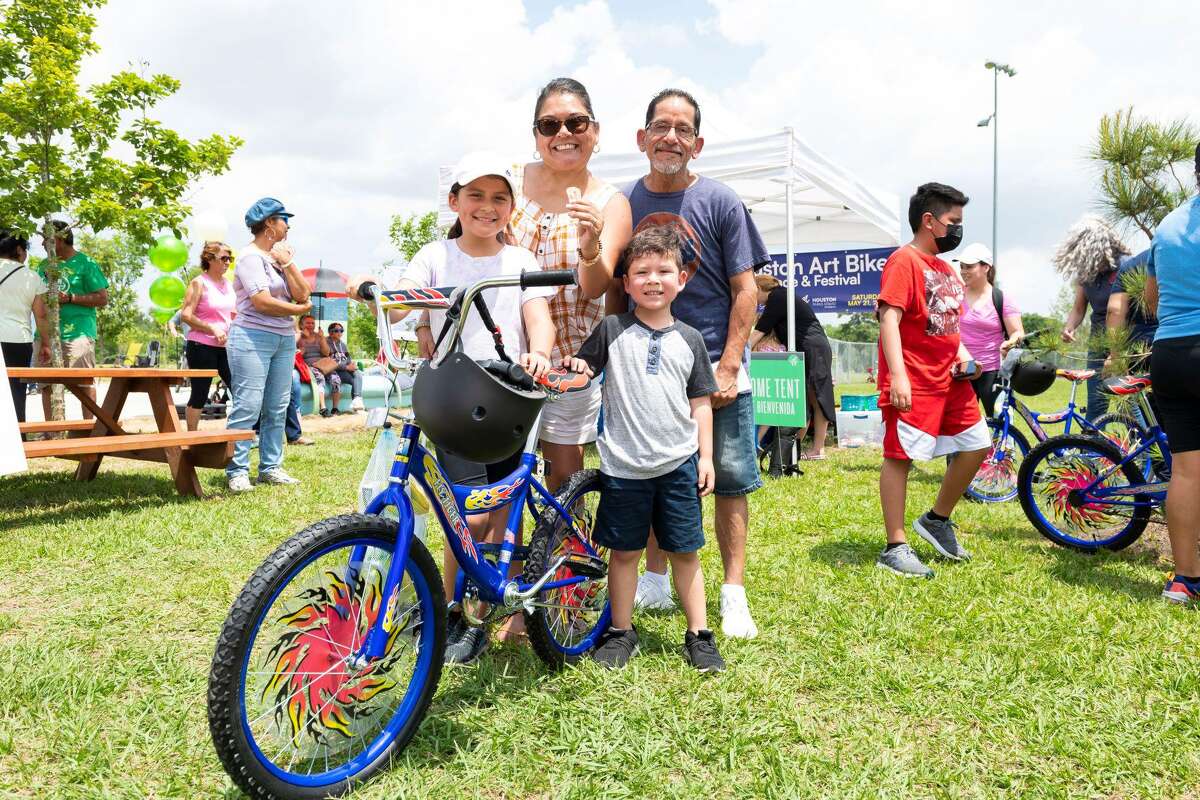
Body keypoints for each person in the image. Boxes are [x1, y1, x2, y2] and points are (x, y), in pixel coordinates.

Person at [371, 153, 556, 664]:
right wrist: (378, 297)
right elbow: (402, 302)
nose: (487, 207)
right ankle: (455, 607)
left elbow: (537, 315)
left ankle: (480, 607)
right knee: (463, 512)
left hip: (507, 392)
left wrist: (539, 350)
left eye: (499, 198)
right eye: (475, 195)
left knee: (499, 505)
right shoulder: (434, 255)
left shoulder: (519, 262)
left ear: (511, 209)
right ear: (454, 202)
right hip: (453, 394)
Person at [622, 88, 769, 638]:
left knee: (729, 478)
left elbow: (745, 289)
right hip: (645, 366)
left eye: (684, 130)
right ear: (642, 138)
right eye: (661, 126)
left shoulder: (722, 202)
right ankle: (655, 580)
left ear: (698, 143)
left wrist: (730, 363)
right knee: (653, 469)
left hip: (712, 358)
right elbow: (617, 290)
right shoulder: (623, 204)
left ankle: (733, 593)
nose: (671, 138)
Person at [565, 226, 724, 673]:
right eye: (642, 272)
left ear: (681, 279)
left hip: (678, 464)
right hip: (623, 467)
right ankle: (620, 631)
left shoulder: (690, 339)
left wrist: (706, 457)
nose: (653, 279)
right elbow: (583, 367)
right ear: (627, 282)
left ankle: (699, 635)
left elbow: (701, 405)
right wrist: (577, 363)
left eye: (663, 271)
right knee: (625, 552)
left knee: (686, 552)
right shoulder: (612, 328)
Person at [499, 77, 632, 493]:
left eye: (575, 123)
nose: (563, 135)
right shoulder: (507, 182)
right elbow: (463, 251)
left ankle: (564, 557)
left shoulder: (611, 202)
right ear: (535, 134)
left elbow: (595, 288)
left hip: (567, 362)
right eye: (548, 125)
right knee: (498, 481)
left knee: (563, 478)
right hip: (499, 354)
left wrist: (591, 245)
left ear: (594, 131)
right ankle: (510, 560)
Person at [875, 183, 992, 578]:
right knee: (900, 457)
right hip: (916, 379)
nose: (958, 230)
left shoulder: (944, 269)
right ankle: (895, 545)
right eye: (953, 222)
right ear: (930, 221)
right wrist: (899, 377)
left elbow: (947, 326)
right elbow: (889, 319)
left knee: (978, 445)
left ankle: (937, 519)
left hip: (952, 380)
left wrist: (965, 358)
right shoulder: (903, 261)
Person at [225, 198, 311, 493]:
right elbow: (261, 302)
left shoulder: (279, 258)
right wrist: (298, 312)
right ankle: (236, 470)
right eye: (284, 219)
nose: (289, 225)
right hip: (252, 337)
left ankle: (270, 467)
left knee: (277, 406)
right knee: (248, 405)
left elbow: (304, 294)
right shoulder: (250, 257)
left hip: (283, 338)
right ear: (269, 224)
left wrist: (287, 263)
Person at [1146, 145, 1200, 604]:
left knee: (1186, 471)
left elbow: (1150, 297)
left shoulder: (1166, 226)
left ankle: (1184, 579)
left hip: (1170, 351)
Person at [749, 273, 836, 460]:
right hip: (808, 348)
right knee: (805, 397)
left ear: (759, 288)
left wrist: (740, 351)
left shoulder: (778, 297)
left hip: (813, 347)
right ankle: (792, 448)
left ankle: (818, 449)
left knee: (818, 396)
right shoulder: (780, 297)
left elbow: (760, 330)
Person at [1055, 216, 1129, 421]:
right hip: (1098, 337)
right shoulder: (1085, 272)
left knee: (1131, 402)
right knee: (1096, 401)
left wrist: (1116, 353)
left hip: (1124, 337)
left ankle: (1144, 450)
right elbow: (1079, 308)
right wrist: (1069, 326)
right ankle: (1093, 449)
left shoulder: (1126, 265)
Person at [38, 221, 108, 420]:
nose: (42, 243)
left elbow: (102, 298)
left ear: (59, 239)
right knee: (46, 385)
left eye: (46, 238)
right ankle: (52, 432)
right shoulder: (44, 265)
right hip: (45, 335)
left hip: (77, 333)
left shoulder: (87, 263)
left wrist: (70, 298)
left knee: (84, 384)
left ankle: (87, 432)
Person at [954, 243, 1024, 418]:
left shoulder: (1001, 299)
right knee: (960, 427)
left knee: (1000, 422)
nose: (963, 271)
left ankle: (1002, 446)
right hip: (963, 367)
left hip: (992, 370)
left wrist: (1010, 342)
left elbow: (1017, 332)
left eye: (969, 266)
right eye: (961, 267)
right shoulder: (955, 296)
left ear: (986, 267)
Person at [179, 242, 236, 431]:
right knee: (200, 393)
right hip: (201, 346)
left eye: (230, 258)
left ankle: (242, 432)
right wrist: (212, 329)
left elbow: (232, 313)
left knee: (238, 388)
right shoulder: (198, 282)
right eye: (224, 258)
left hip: (226, 347)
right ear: (209, 259)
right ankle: (191, 436)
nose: (228, 262)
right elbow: (186, 315)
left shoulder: (229, 284)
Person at [0, 230, 51, 423]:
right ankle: (18, 438)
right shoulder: (31, 277)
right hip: (18, 341)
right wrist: (46, 343)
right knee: (17, 392)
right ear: (19, 250)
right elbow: (41, 314)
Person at [1105, 252, 1157, 373]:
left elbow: (1115, 311)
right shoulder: (1190, 255)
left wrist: (1114, 356)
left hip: (1138, 353)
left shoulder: (1131, 265)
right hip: (1187, 343)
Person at [297, 314, 339, 416]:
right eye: (308, 323)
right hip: (309, 365)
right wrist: (301, 339)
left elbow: (326, 353)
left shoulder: (319, 336)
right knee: (320, 377)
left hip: (322, 364)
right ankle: (323, 408)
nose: (310, 325)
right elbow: (297, 354)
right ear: (301, 325)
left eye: (312, 323)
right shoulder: (298, 336)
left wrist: (322, 339)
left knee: (335, 378)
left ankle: (335, 408)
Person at [325, 322, 363, 412]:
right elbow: (329, 362)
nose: (340, 332)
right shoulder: (326, 344)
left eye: (341, 330)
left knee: (358, 374)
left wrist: (352, 365)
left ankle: (356, 400)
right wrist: (346, 367)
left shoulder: (343, 345)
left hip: (345, 370)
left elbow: (348, 359)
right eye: (337, 330)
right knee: (355, 380)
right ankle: (357, 404)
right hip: (335, 371)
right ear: (330, 332)